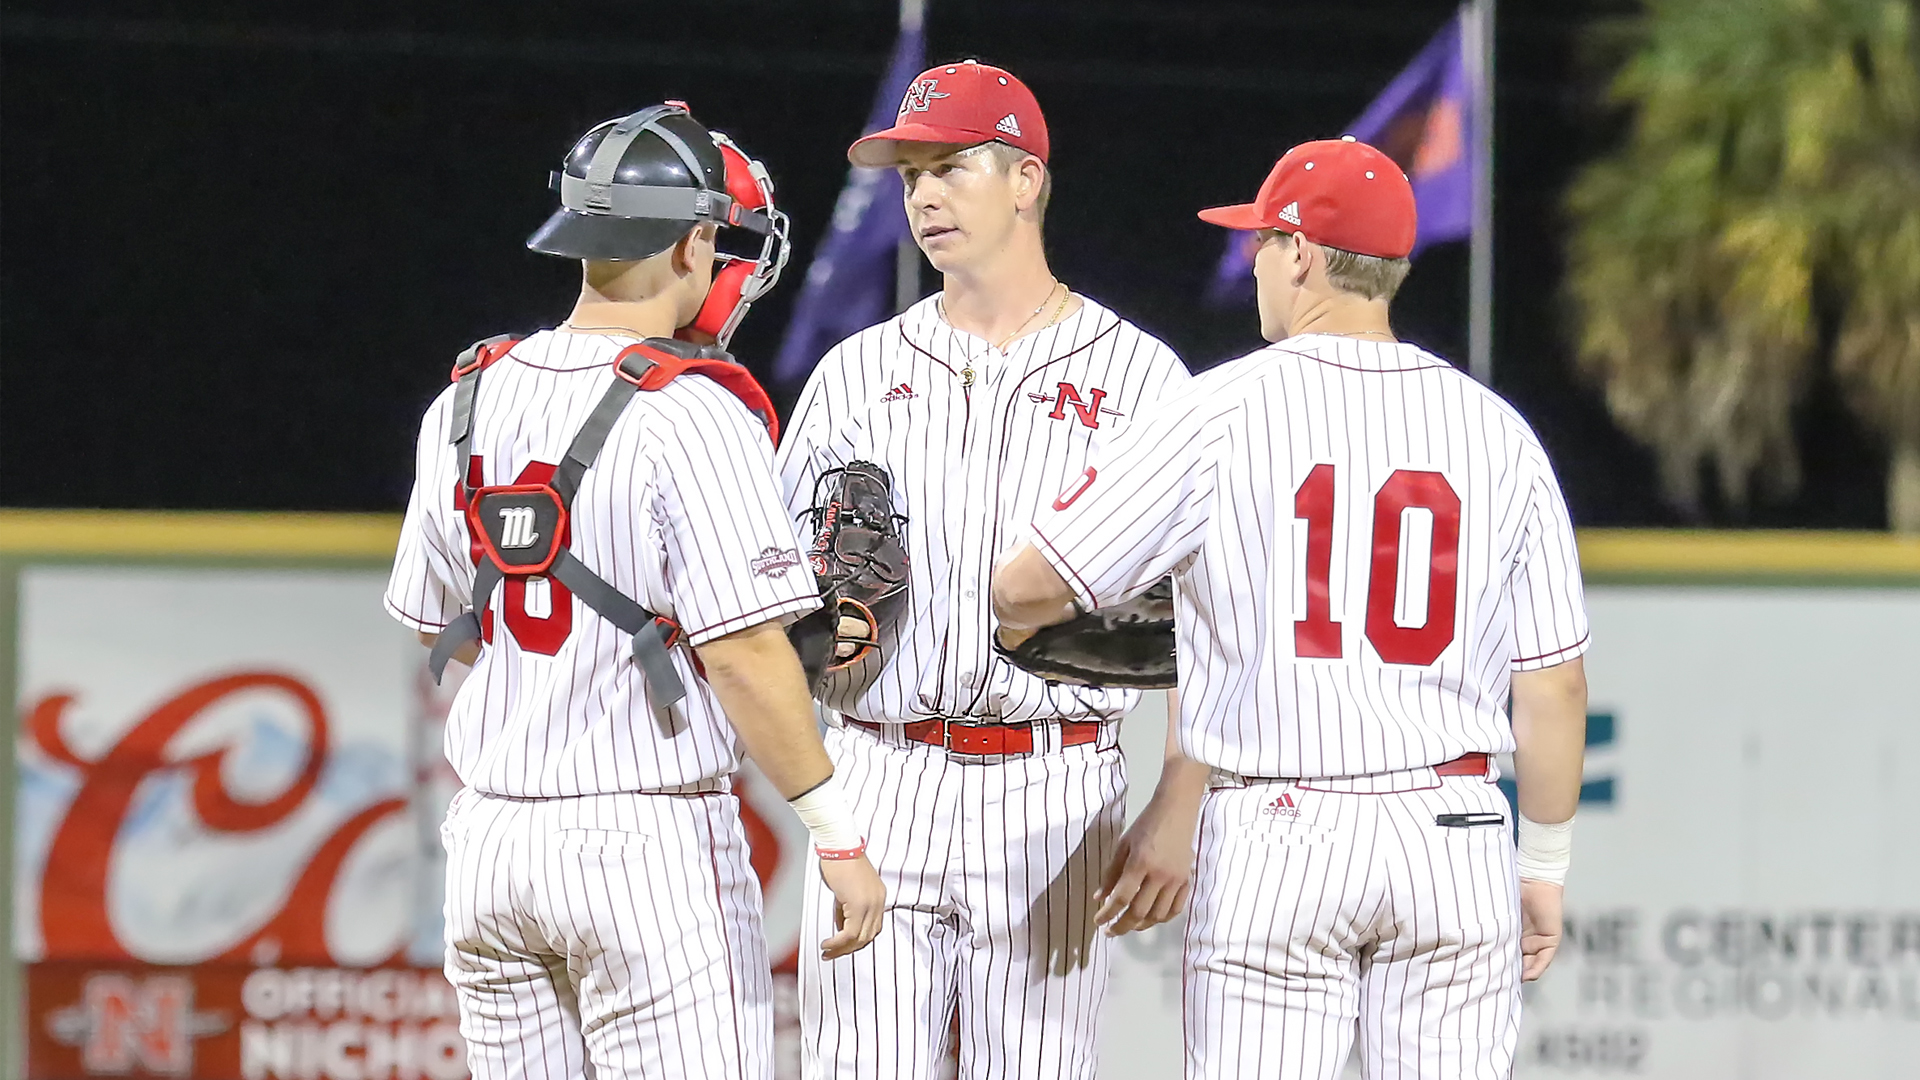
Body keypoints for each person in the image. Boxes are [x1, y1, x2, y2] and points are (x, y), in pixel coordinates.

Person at [992, 136, 1590, 1079]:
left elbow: (1026, 588)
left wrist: (1164, 599)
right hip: (1457, 827)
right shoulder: (1498, 432)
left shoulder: (1221, 408)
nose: (1254, 261)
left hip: (1280, 826)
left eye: (1263, 242)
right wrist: (1544, 868)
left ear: (1303, 252)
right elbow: (1553, 684)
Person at [383, 103, 885, 1080]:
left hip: (490, 842)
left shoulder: (467, 393)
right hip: (644, 842)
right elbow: (743, 655)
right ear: (695, 242)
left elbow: (439, 623)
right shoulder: (693, 410)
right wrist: (834, 835)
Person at [775, 60, 1195, 1080]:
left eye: (952, 166)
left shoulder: (1141, 378)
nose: (923, 194)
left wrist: (1181, 799)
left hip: (1056, 783)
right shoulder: (856, 373)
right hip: (878, 764)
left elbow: (1218, 611)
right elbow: (772, 589)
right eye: (911, 172)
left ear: (1026, 180)